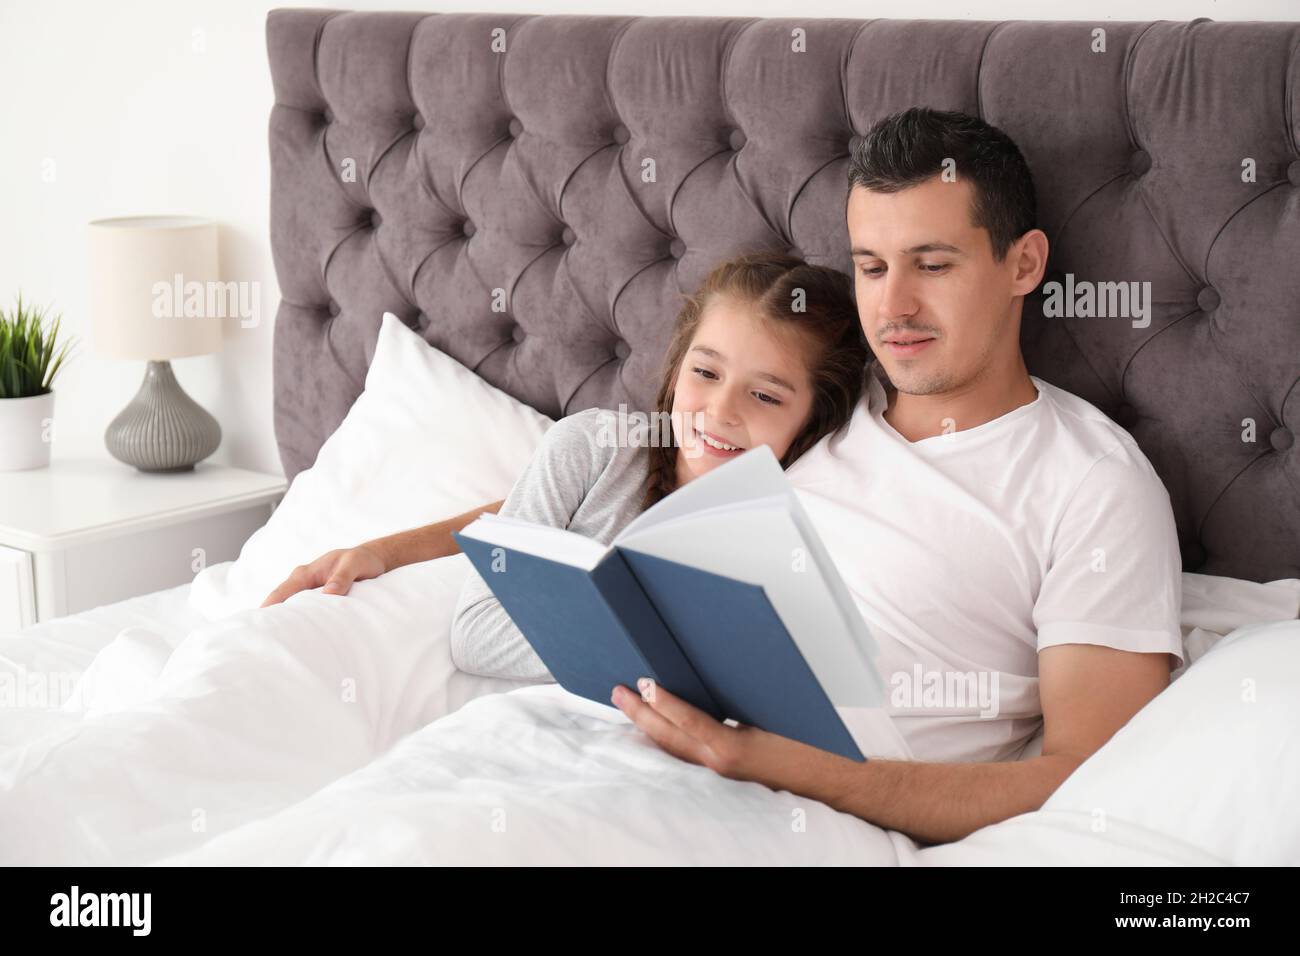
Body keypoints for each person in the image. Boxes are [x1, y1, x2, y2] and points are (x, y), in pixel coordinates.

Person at [607, 107, 1185, 846]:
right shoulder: (822, 403)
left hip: (808, 813)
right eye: (871, 268)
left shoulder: (1093, 483)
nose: (894, 306)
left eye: (933, 264)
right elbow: (654, 462)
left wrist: (768, 763)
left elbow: (1084, 773)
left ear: (1025, 264)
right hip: (646, 738)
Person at [262, 251, 866, 619]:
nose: (721, 410)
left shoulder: (801, 514)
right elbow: (527, 522)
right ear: (679, 365)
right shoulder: (615, 451)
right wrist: (381, 553)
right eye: (705, 372)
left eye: (764, 395)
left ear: (813, 417)